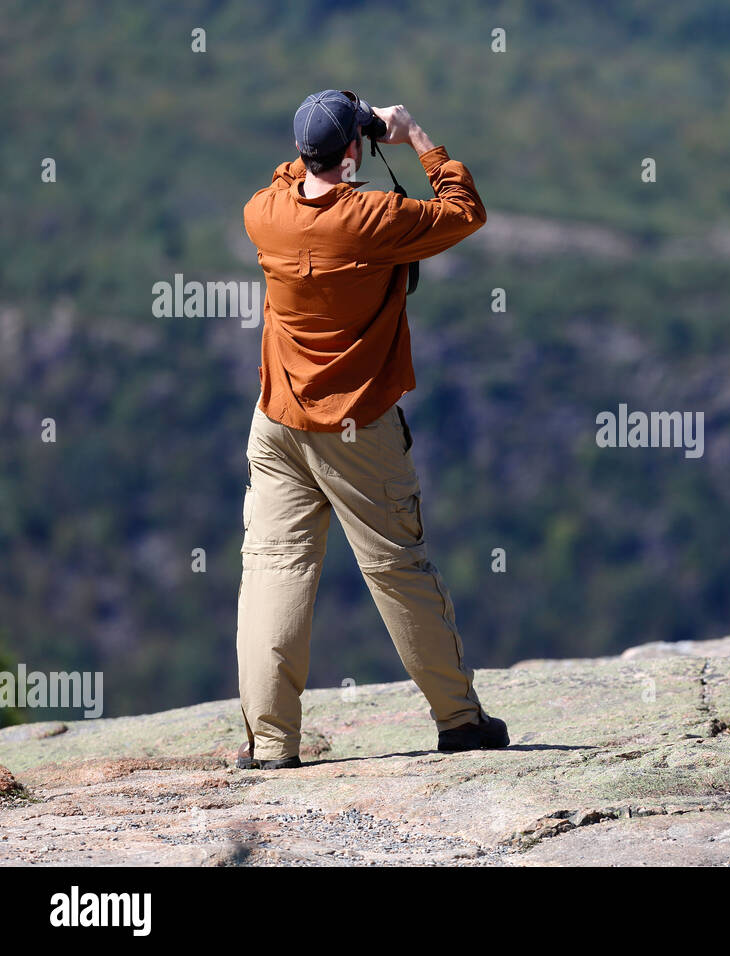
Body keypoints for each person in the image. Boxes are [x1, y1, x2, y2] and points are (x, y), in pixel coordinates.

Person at [235, 90, 505, 769]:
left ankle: (270, 745)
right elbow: (463, 211)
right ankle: (459, 721)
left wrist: (341, 140)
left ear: (303, 153)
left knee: (273, 569)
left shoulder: (263, 214)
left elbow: (291, 175)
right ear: (354, 151)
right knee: (395, 567)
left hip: (277, 423)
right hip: (356, 430)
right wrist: (413, 136)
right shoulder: (371, 217)